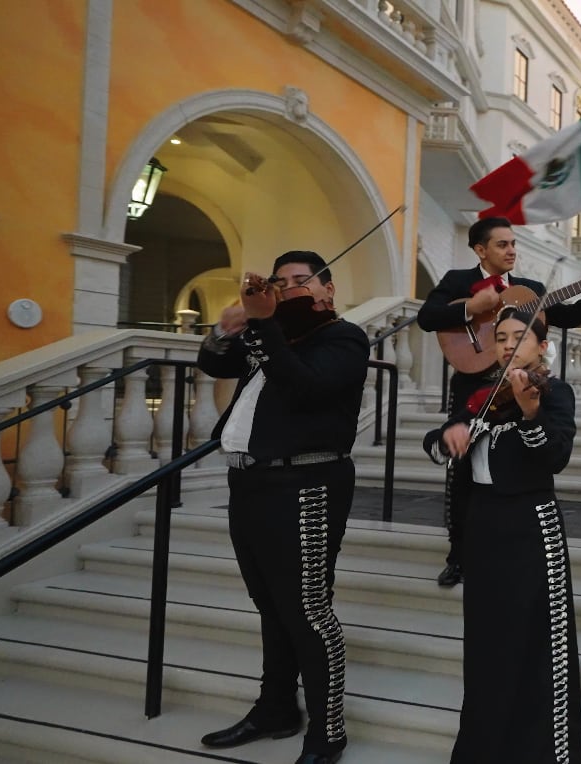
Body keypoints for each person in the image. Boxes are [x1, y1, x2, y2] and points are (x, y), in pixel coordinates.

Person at [197, 251, 369, 764]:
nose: (290, 289)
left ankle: (328, 731)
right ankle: (275, 709)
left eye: (301, 281)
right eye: (280, 281)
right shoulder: (270, 334)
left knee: (309, 612)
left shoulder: (343, 338)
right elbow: (214, 362)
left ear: (328, 289)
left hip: (309, 482)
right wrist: (227, 329)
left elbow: (307, 386)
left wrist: (266, 323)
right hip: (251, 484)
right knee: (271, 607)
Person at [416, 216, 581, 587]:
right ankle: (458, 554)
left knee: (513, 463)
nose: (511, 250)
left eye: (514, 244)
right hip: (474, 385)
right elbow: (427, 317)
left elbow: (564, 316)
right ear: (480, 250)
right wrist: (471, 306)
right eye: (502, 244)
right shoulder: (458, 280)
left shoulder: (530, 287)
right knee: (462, 475)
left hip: (521, 387)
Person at [433, 307, 581, 763]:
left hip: (530, 525)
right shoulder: (481, 394)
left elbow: (555, 457)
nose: (507, 345)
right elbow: (436, 440)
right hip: (483, 525)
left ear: (541, 345)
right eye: (501, 337)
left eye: (520, 337)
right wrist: (451, 434)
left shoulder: (554, 392)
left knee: (539, 641)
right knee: (487, 641)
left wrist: (531, 413)